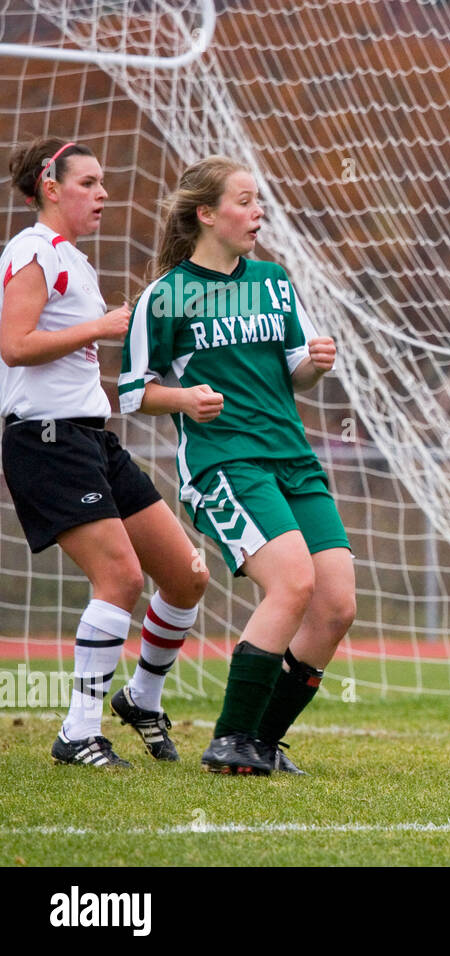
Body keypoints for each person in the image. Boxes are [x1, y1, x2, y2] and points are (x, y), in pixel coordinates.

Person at [119, 156, 355, 775]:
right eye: (245, 202)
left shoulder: (274, 281)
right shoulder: (166, 296)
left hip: (293, 460)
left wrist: (316, 363)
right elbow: (130, 391)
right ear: (206, 214)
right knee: (293, 583)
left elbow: (296, 373)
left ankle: (261, 745)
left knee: (335, 606)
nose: (258, 213)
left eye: (259, 202)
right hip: (225, 463)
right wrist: (183, 399)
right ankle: (230, 739)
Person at [1, 137, 208, 768]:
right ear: (51, 186)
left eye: (102, 182)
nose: (102, 194)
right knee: (118, 578)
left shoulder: (75, 261)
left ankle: (141, 697)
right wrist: (99, 327)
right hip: (47, 441)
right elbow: (15, 344)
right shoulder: (31, 251)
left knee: (186, 576)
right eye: (89, 182)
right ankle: (77, 733)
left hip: (93, 439)